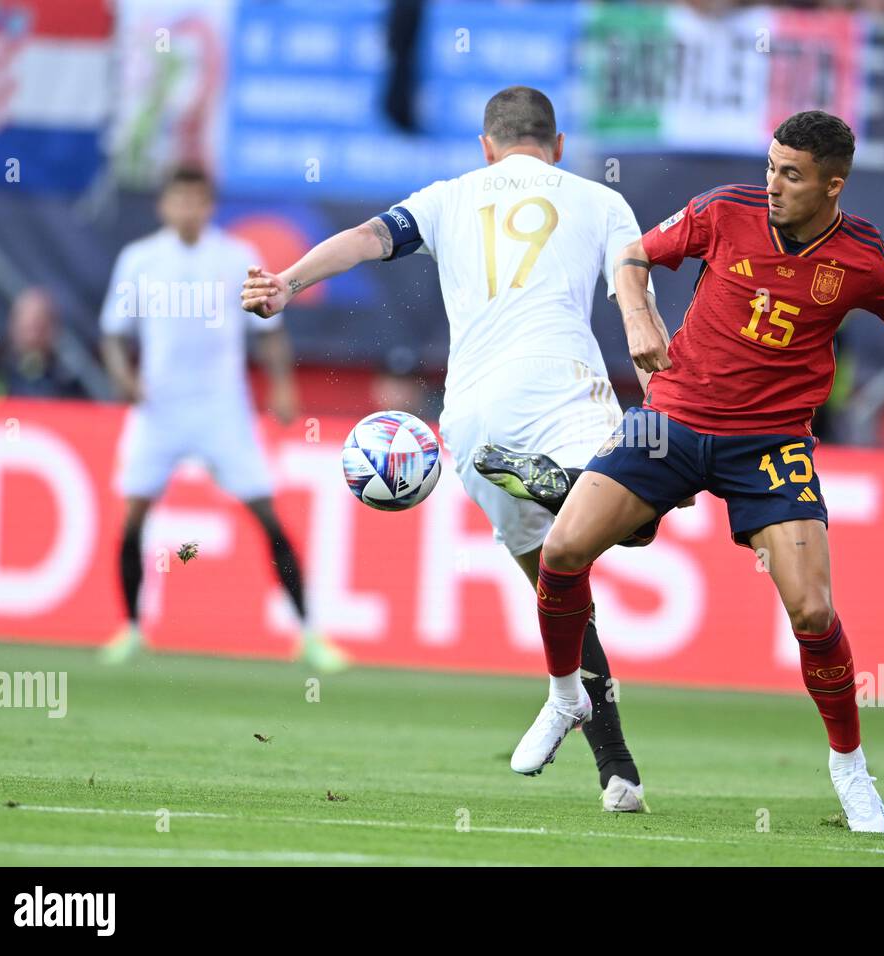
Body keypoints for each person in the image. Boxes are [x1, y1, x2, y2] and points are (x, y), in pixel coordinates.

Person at [502, 110, 884, 832]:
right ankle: (564, 698)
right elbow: (632, 256)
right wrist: (640, 319)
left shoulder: (863, 257)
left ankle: (850, 768)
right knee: (562, 550)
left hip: (769, 444)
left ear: (833, 185)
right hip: (672, 419)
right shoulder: (723, 210)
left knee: (812, 611)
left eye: (791, 175)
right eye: (770, 166)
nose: (772, 184)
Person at [240, 87, 650, 812]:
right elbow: (634, 303)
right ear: (556, 146)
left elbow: (368, 236)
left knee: (559, 590)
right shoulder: (601, 201)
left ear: (486, 147)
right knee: (637, 521)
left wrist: (287, 284)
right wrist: (663, 390)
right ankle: (559, 484)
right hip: (569, 395)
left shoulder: (450, 195)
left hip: (474, 419)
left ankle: (616, 769)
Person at [99, 165, 346, 672]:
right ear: (164, 205)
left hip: (222, 408)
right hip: (158, 408)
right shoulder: (140, 259)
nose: (188, 209)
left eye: (197, 200)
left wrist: (281, 384)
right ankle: (130, 629)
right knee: (134, 515)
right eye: (179, 199)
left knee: (266, 513)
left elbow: (269, 330)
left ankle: (307, 634)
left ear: (209, 205)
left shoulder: (237, 257)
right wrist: (124, 379)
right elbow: (112, 335)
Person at [0, 288, 85, 399]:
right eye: (26, 328)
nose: (31, 337)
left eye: (38, 327)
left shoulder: (66, 381)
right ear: (13, 327)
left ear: (53, 329)